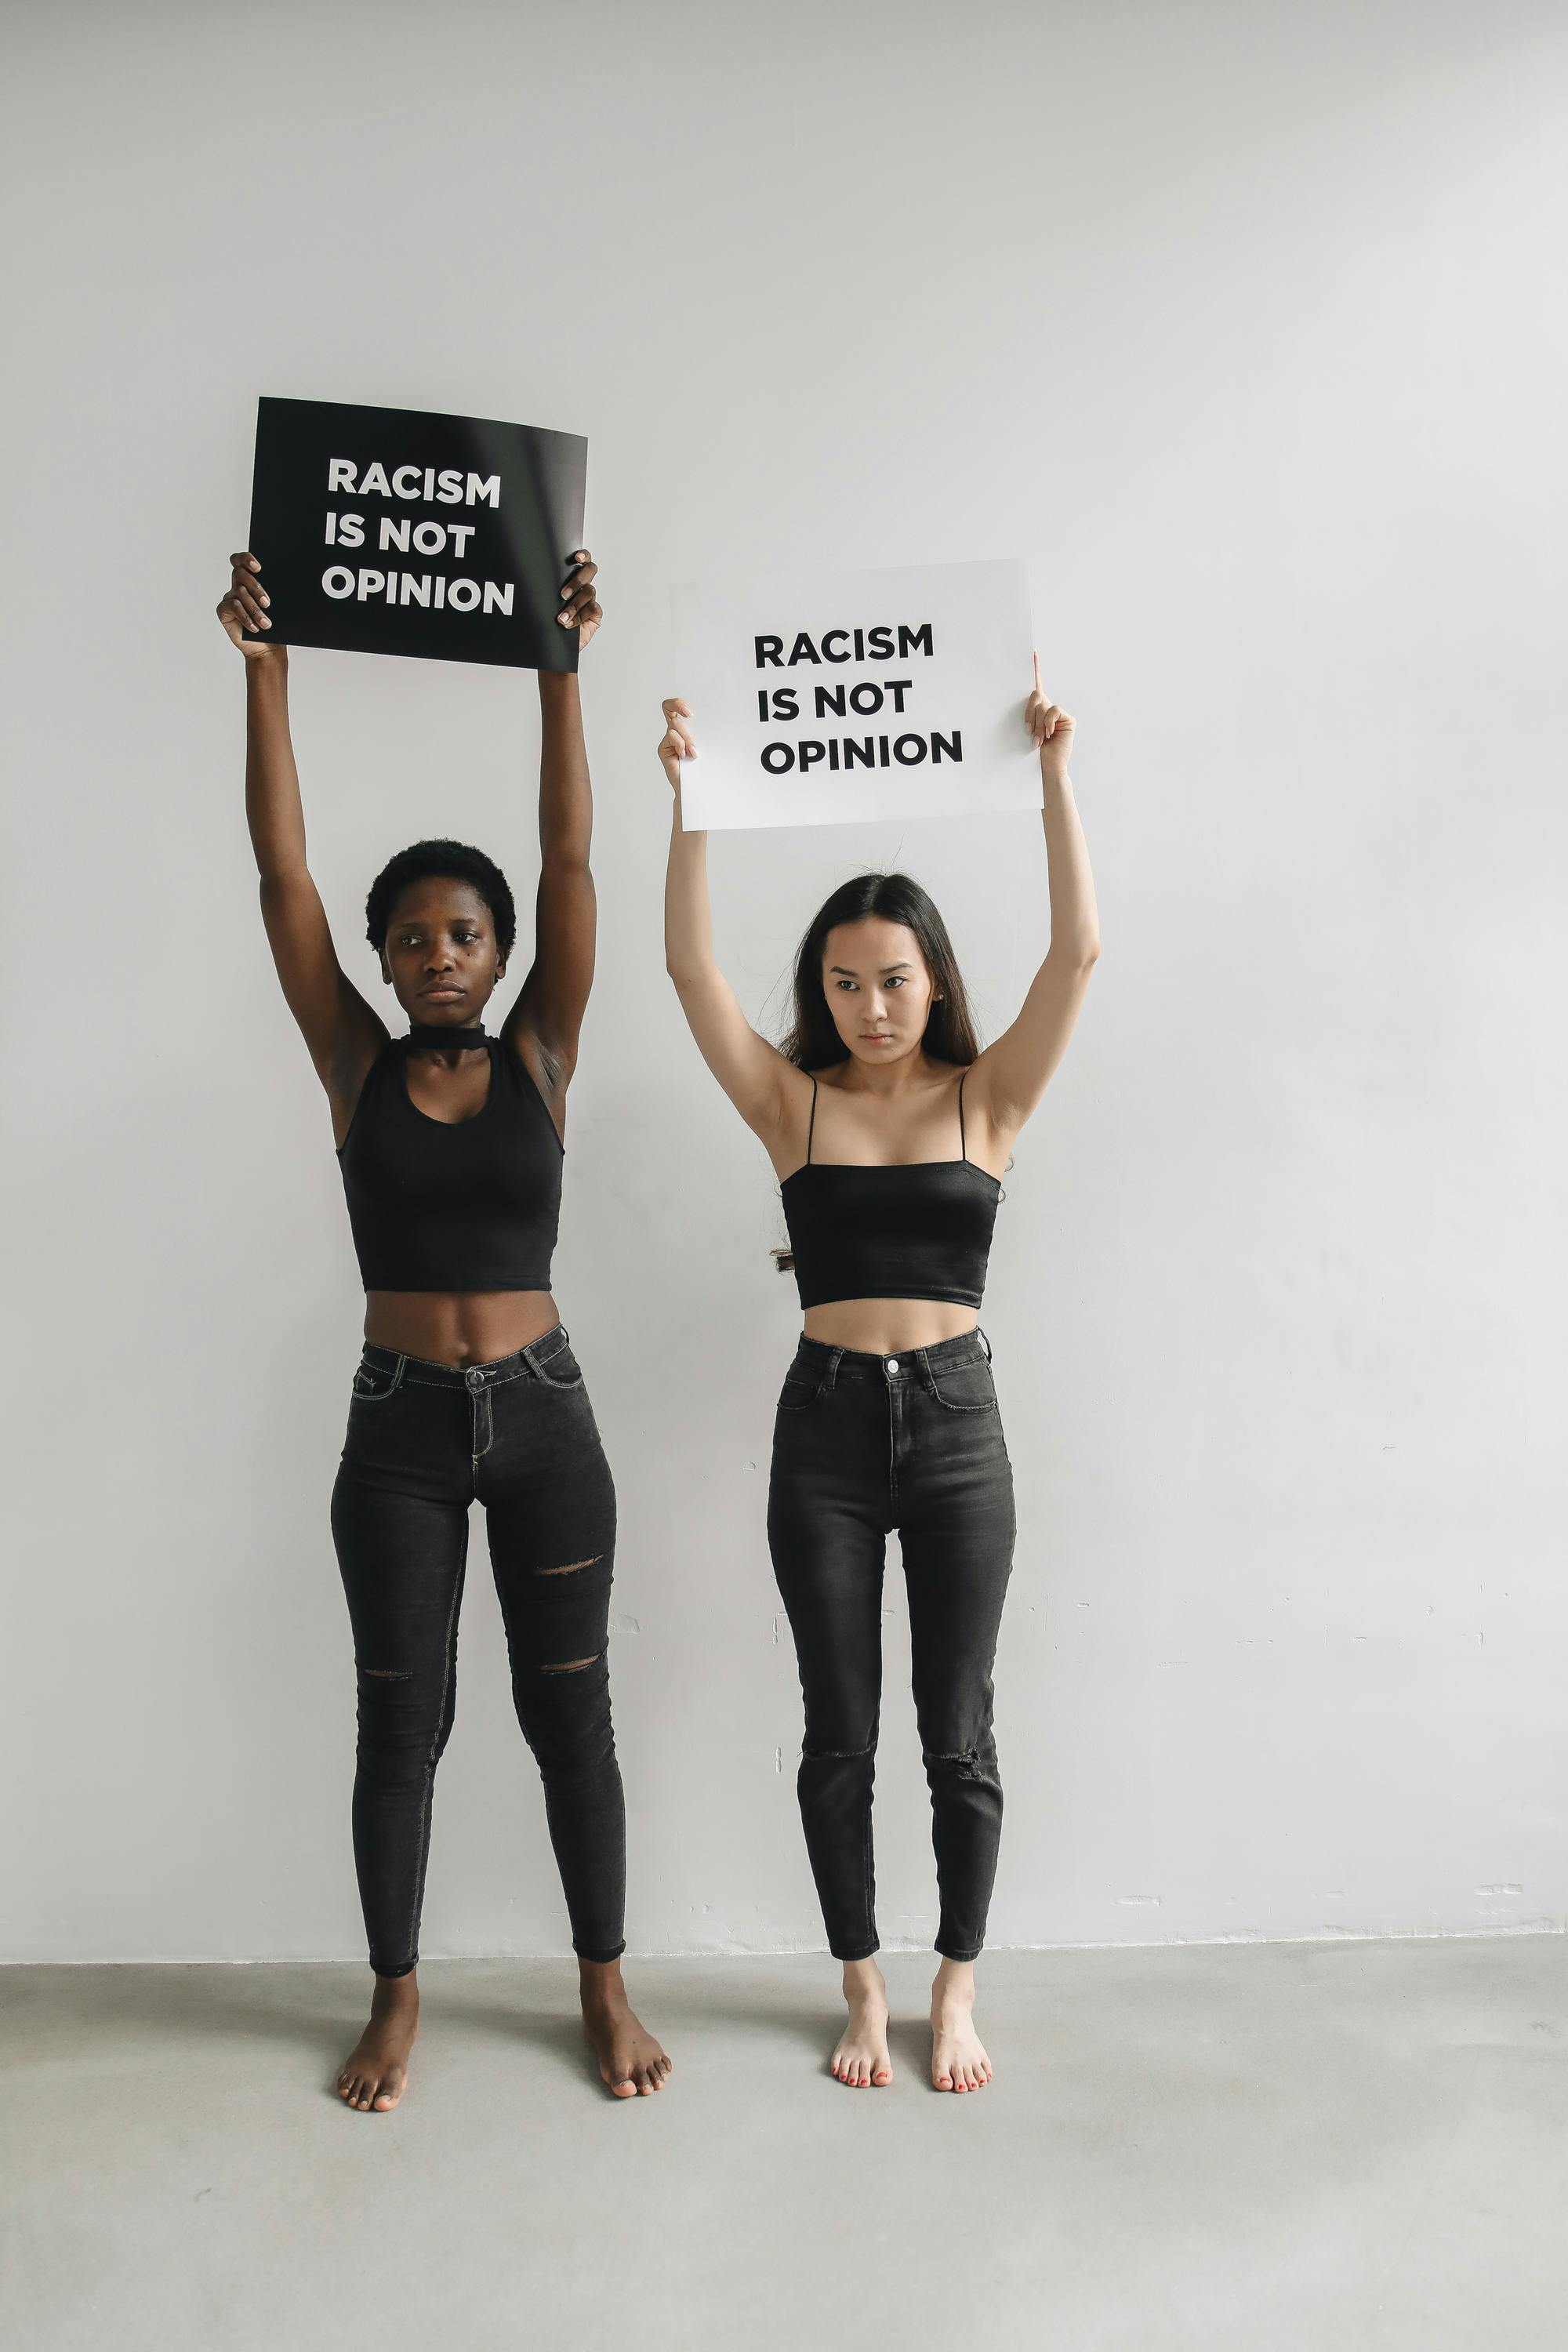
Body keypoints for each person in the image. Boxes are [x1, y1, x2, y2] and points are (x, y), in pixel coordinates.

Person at [216, 547, 670, 2108]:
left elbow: (571, 858)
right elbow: (282, 882)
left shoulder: (544, 1049)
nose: (438, 955)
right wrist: (268, 673)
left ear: (499, 948)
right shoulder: (353, 1063)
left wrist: (560, 667)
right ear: (384, 959)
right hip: (399, 1429)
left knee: (571, 1718)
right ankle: (396, 2000)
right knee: (399, 1726)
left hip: (545, 1420)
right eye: (410, 937)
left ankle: (604, 1987)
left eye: (463, 933)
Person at [659, 661, 1098, 2091]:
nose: (870, 1004)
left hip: (959, 1425)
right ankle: (861, 1984)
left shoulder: (988, 1097)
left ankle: (955, 1989)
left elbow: (1076, 958)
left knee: (956, 1734)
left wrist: (1054, 778)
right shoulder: (793, 1105)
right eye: (844, 983)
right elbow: (690, 975)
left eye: (894, 979)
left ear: (934, 979)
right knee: (838, 1733)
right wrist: (693, 803)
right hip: (828, 1433)